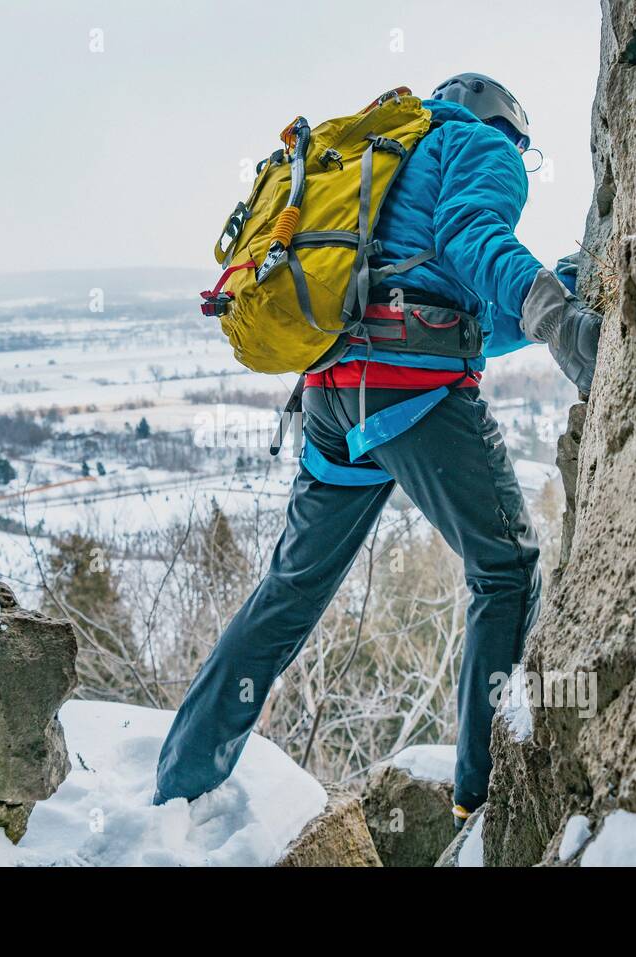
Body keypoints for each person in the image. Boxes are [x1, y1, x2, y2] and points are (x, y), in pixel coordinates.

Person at [155, 73, 603, 826]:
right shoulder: (476, 145)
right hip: (407, 387)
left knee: (288, 592)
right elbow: (474, 239)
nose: (514, 159)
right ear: (505, 129)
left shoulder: (387, 157)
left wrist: (537, 299)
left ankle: (180, 782)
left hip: (334, 394)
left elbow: (458, 314)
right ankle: (481, 796)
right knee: (505, 567)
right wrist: (564, 322)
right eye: (519, 148)